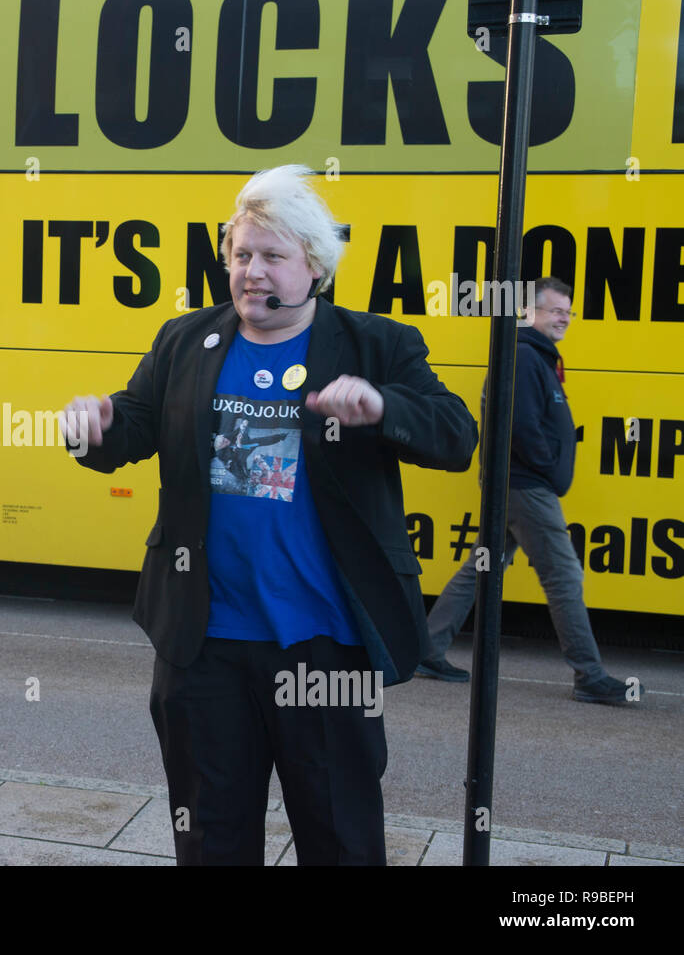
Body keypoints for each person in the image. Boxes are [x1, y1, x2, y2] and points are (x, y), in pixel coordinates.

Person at [63, 165, 478, 865]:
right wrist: (96, 427)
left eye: (273, 256)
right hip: (204, 647)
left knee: (342, 837)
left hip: (326, 646)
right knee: (210, 841)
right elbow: (132, 424)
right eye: (241, 254)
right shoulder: (185, 340)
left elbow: (456, 434)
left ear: (313, 264)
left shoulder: (376, 344)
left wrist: (382, 409)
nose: (253, 271)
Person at [418, 277, 640, 706]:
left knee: (481, 567)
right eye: (555, 310)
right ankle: (589, 675)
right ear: (529, 312)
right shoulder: (523, 356)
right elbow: (520, 426)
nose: (563, 318)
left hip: (518, 486)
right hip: (526, 488)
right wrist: (550, 468)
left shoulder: (535, 357)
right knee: (564, 576)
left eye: (567, 312)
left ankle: (428, 648)